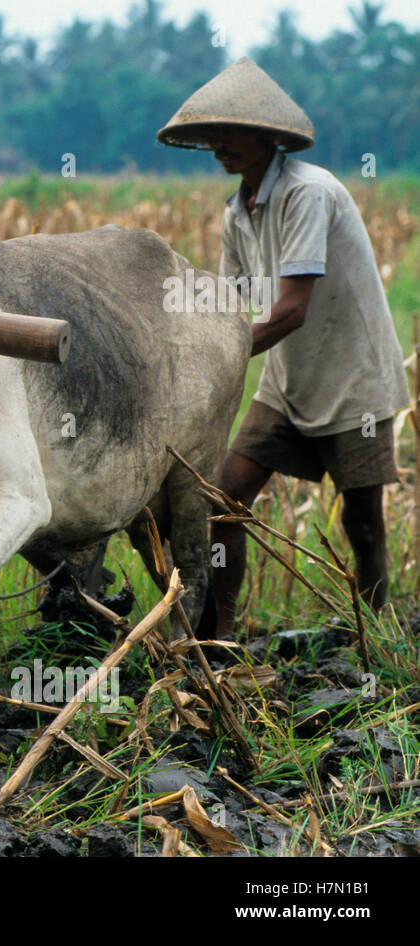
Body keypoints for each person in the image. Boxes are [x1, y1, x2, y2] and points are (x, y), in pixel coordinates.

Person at [157, 57, 408, 636]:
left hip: (353, 377)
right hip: (287, 382)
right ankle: (221, 633)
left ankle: (373, 631)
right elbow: (231, 305)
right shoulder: (236, 212)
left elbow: (290, 309)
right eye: (212, 136)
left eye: (232, 133)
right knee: (225, 498)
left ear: (268, 135)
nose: (221, 146)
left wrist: (215, 355)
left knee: (364, 522)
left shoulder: (308, 194)